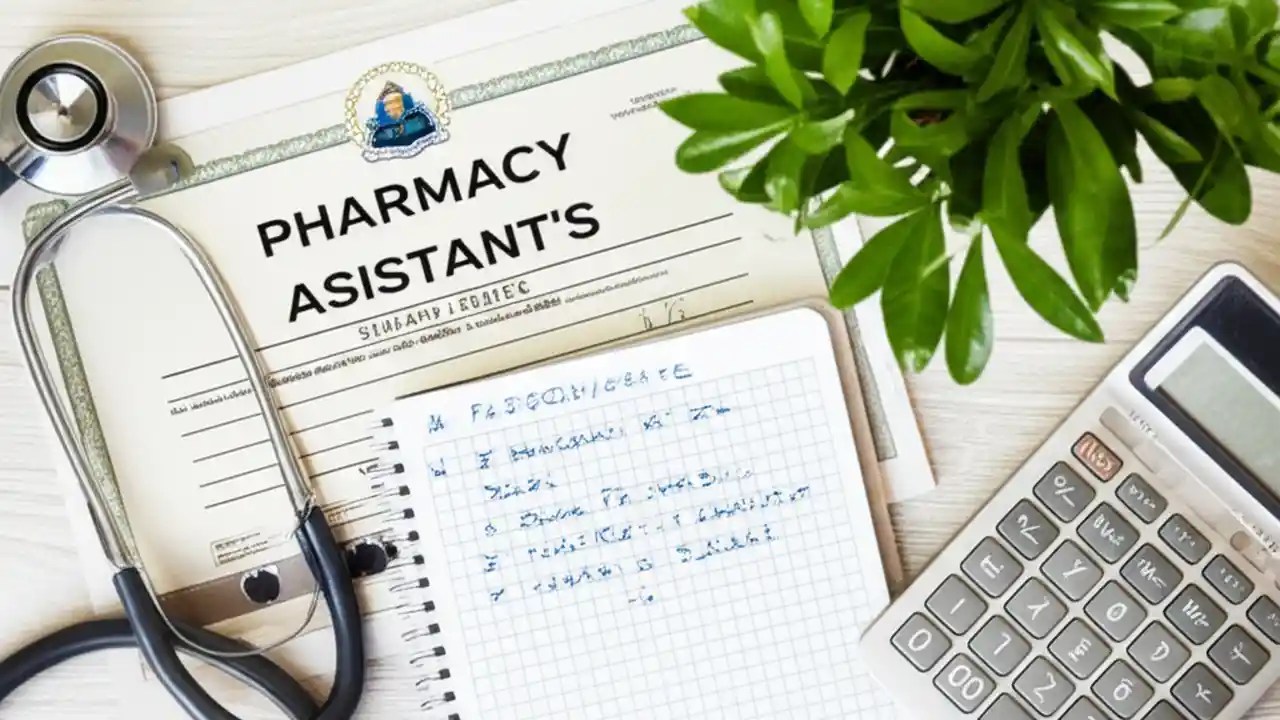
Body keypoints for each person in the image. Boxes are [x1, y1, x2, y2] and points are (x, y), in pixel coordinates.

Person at [368, 81, 437, 149]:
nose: (388, 108)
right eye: (386, 104)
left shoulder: (419, 120)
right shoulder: (381, 133)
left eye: (392, 102)